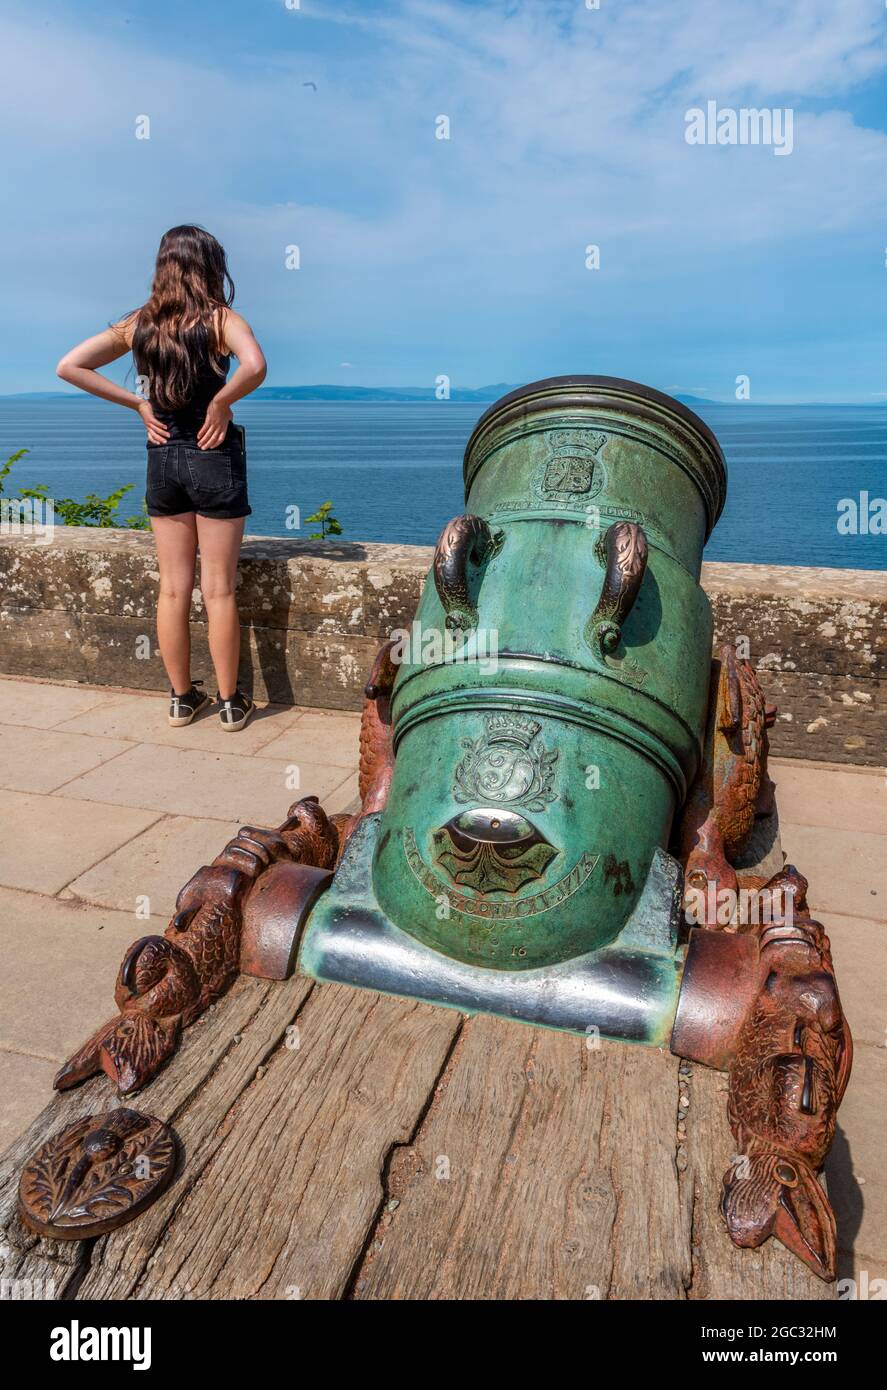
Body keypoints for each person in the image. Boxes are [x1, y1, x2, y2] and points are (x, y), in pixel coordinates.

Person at [56, 224, 266, 731]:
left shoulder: (139, 324)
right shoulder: (219, 320)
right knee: (217, 589)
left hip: (162, 459)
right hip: (214, 456)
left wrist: (138, 403)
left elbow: (69, 366)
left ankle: (179, 698)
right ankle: (231, 702)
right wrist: (221, 401)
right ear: (209, 265)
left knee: (173, 589)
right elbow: (255, 365)